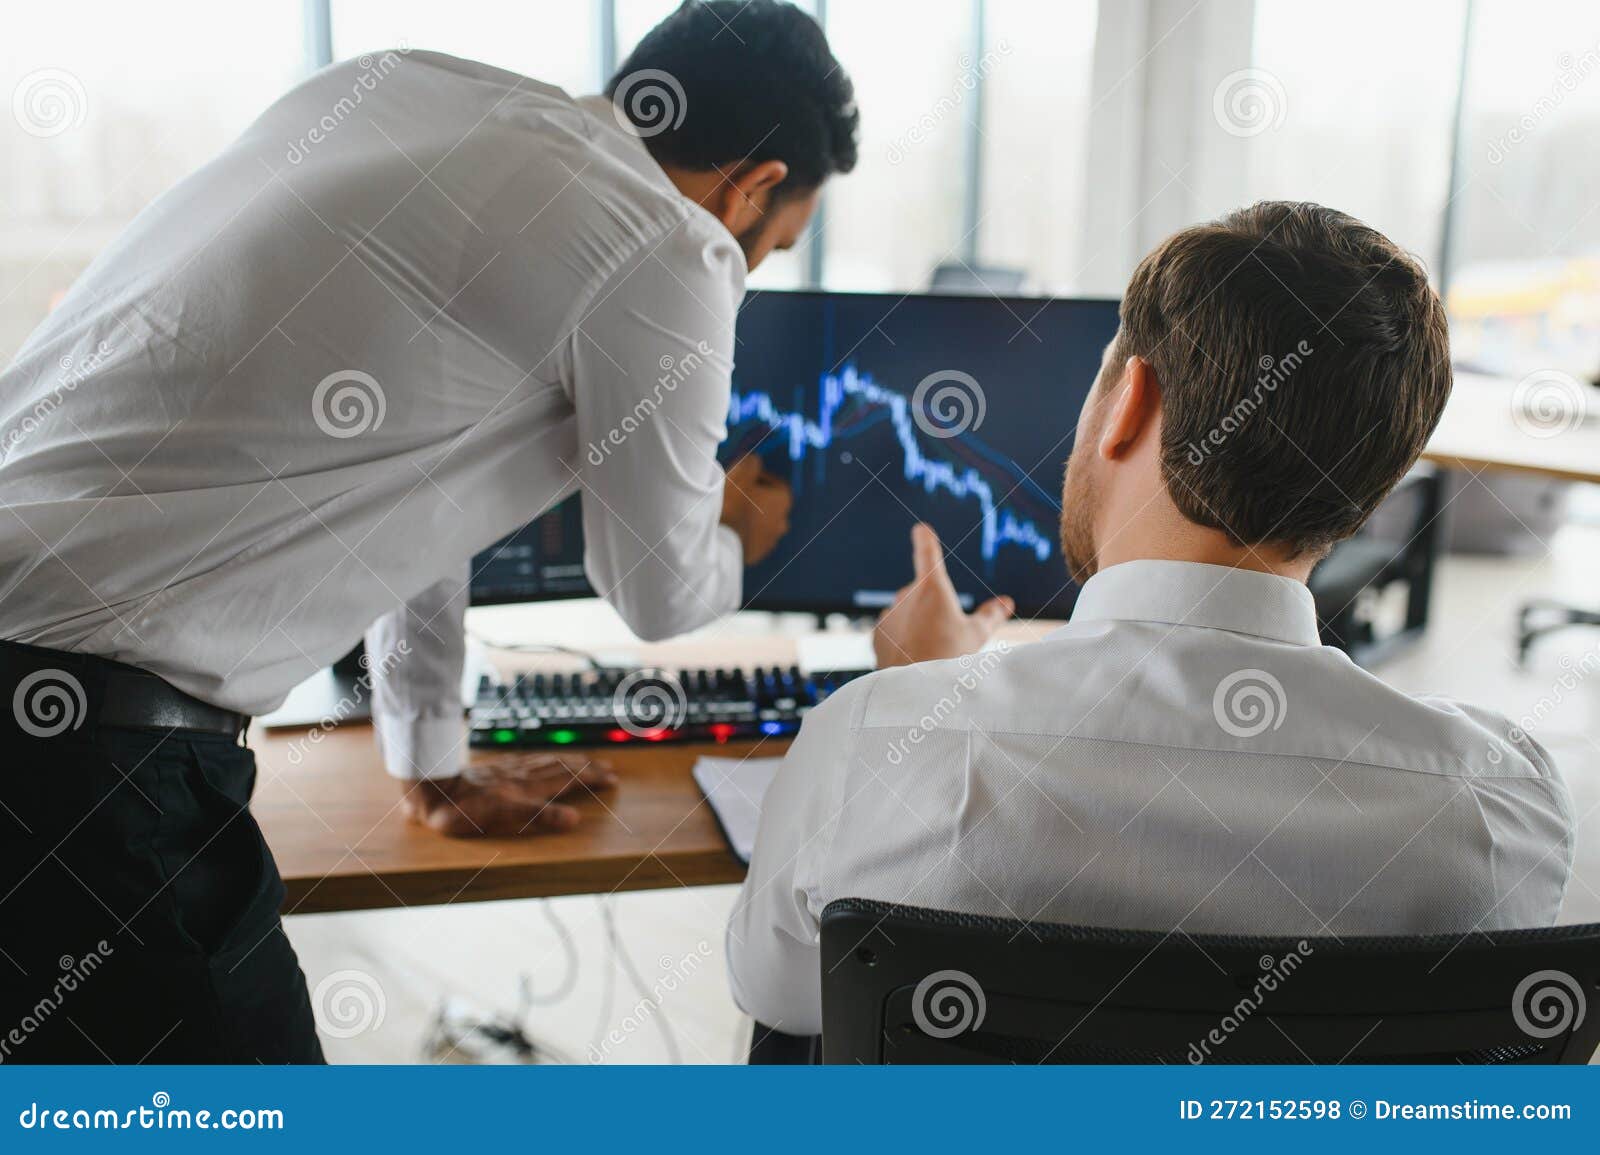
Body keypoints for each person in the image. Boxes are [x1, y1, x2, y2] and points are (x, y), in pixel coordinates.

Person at [0, 1, 856, 1062]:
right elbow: (658, 589)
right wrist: (735, 526)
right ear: (753, 186)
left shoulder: (397, 87)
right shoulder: (669, 247)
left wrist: (429, 753)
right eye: (772, 247)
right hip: (80, 753)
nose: (750, 269)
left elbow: (409, 485)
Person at [727, 201, 1574, 1038]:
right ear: (1372, 488)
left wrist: (914, 690)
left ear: (1131, 400)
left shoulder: (878, 740)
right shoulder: (1500, 805)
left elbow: (782, 993)